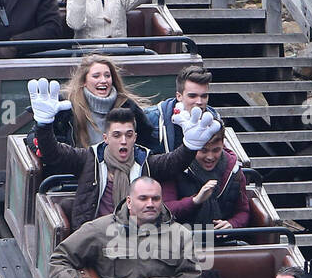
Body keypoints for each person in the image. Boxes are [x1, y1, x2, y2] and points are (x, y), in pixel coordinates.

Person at [30, 81, 220, 232]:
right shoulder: (88, 158)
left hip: (138, 239)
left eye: (128, 135)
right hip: (96, 237)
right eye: (117, 135)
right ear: (105, 138)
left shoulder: (145, 161)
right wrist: (44, 125)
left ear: (135, 138)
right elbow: (53, 153)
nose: (123, 141)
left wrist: (190, 146)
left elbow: (174, 163)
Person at [48, 177, 204, 278]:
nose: (150, 204)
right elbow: (58, 260)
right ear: (129, 202)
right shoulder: (99, 229)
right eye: (143, 198)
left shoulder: (181, 235)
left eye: (155, 199)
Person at [33, 53, 159, 153]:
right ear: (84, 81)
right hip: (74, 175)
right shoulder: (65, 105)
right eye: (96, 76)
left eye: (107, 76)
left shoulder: (127, 106)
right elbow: (35, 138)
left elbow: (149, 142)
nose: (103, 80)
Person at [161, 121, 249, 230]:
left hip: (225, 240)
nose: (210, 157)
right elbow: (166, 210)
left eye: (216, 150)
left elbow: (243, 211)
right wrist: (195, 200)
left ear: (223, 144)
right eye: (203, 150)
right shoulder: (174, 167)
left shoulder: (234, 171)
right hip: (184, 239)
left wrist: (232, 224)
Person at [152, 65, 212, 150]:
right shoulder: (154, 118)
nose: (199, 101)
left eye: (204, 96)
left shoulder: (213, 119)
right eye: (192, 96)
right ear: (179, 96)